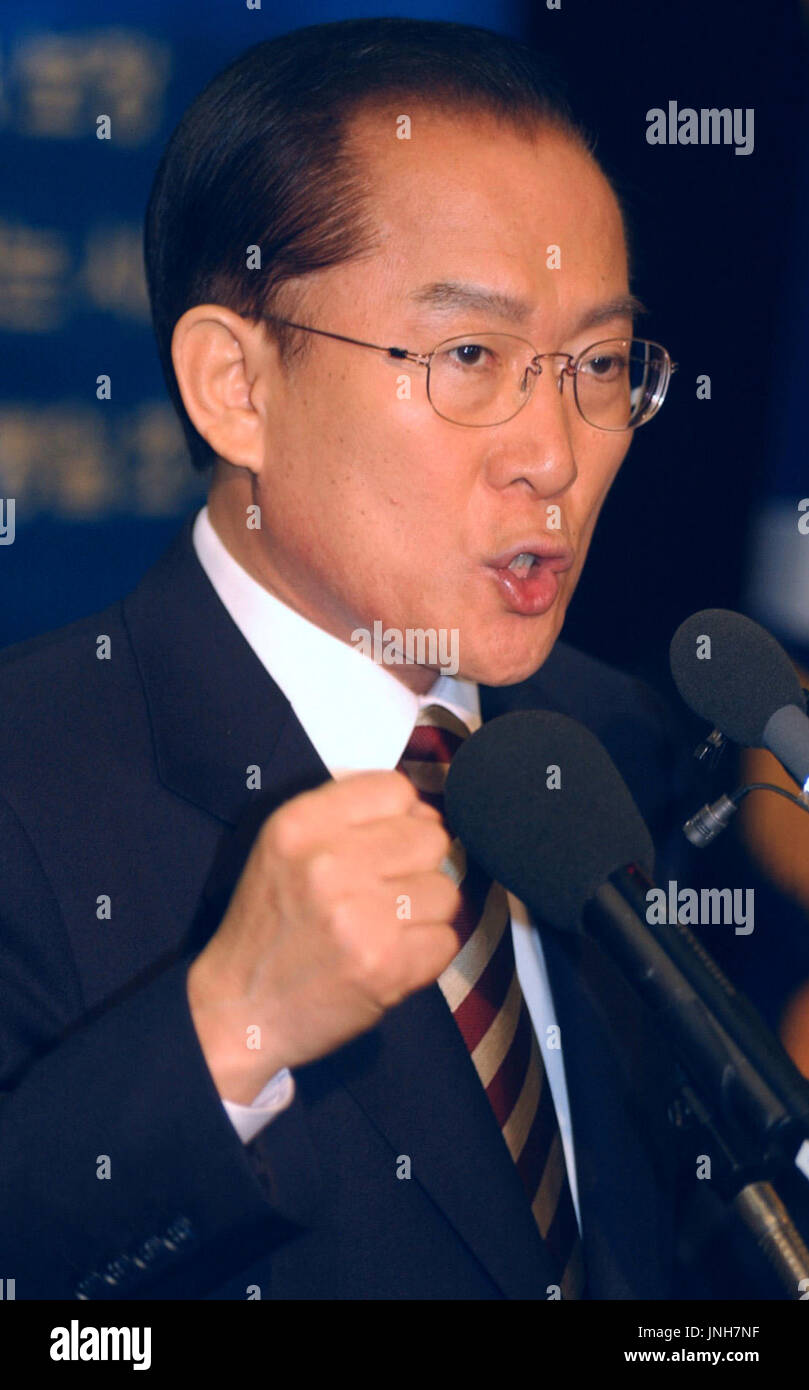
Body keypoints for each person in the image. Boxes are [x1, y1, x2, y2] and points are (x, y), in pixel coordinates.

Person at [1, 17, 701, 1300]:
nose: (552, 452)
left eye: (598, 364)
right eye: (471, 358)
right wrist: (226, 1031)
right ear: (235, 387)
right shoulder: (29, 779)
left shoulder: (622, 752)